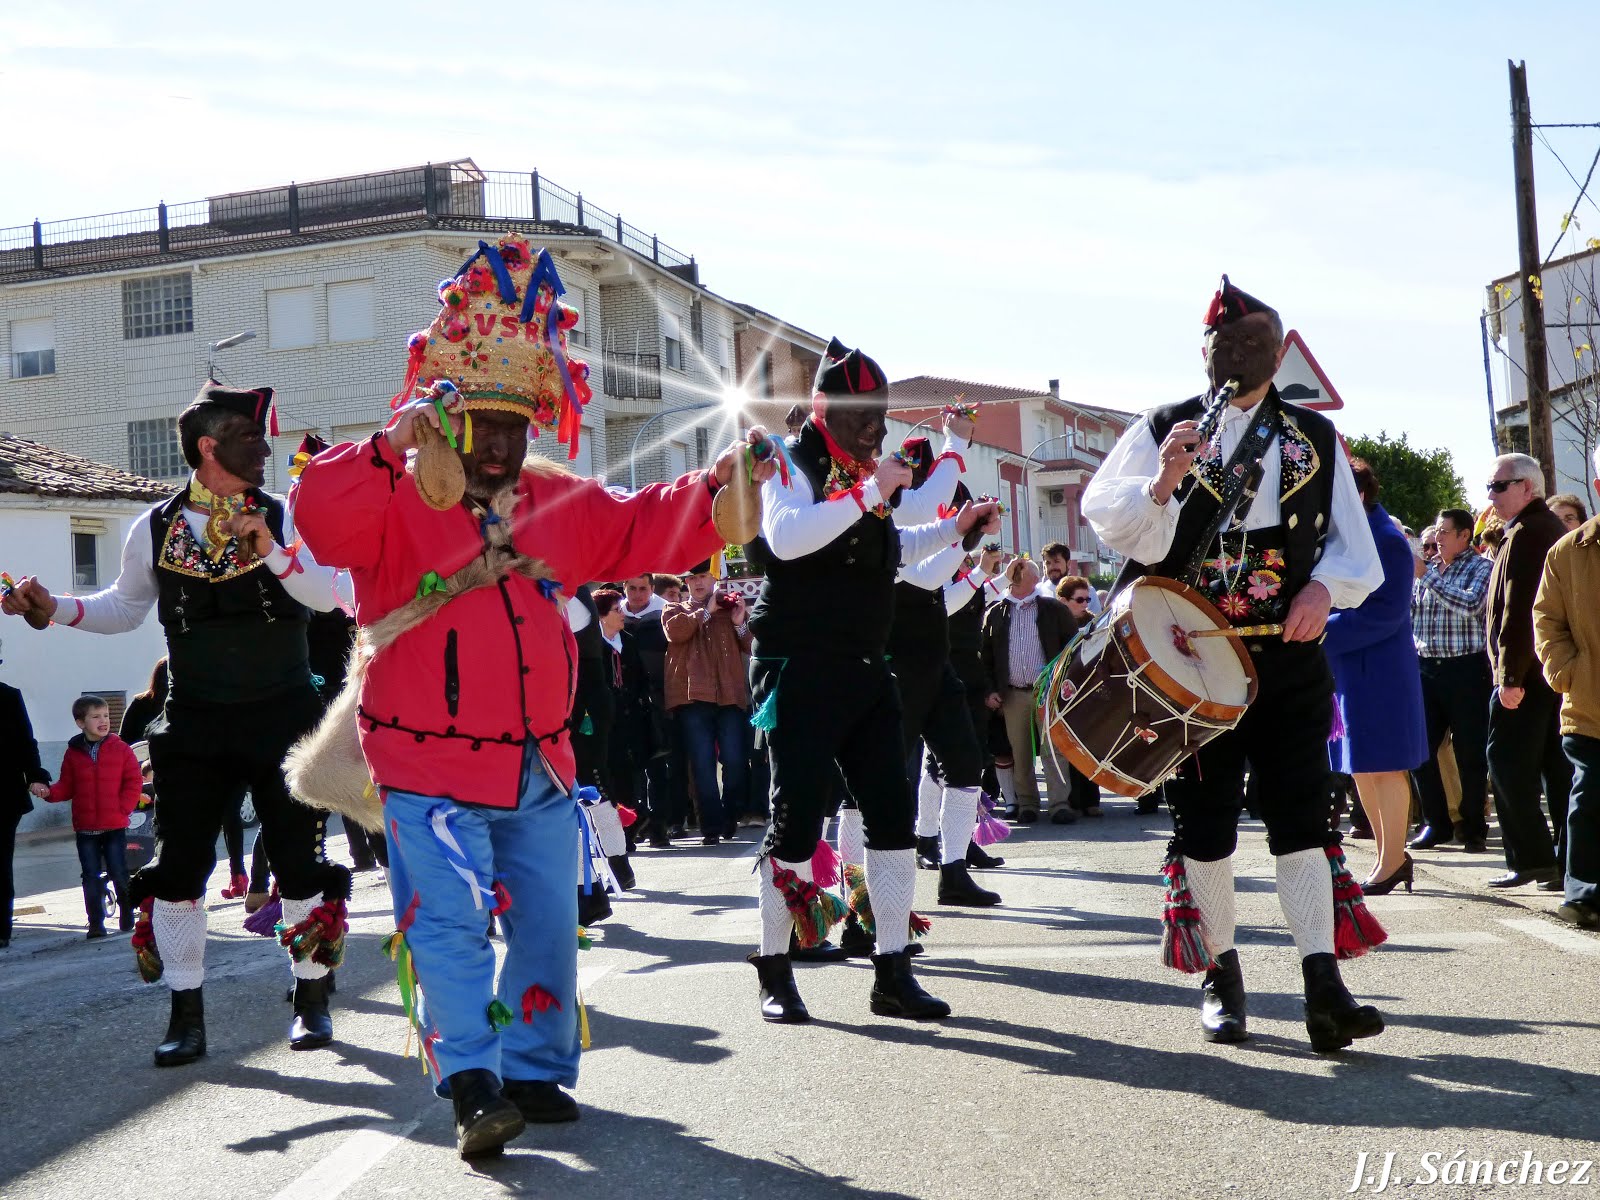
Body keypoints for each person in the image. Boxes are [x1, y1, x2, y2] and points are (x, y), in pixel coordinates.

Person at [289, 234, 753, 1157]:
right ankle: (469, 1080)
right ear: (446, 423)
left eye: (515, 427)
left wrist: (721, 487)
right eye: (482, 426)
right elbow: (315, 516)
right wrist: (390, 447)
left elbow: (639, 526)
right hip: (423, 763)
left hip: (539, 765)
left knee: (548, 927)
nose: (501, 445)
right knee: (449, 929)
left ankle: (537, 1071)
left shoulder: (555, 500)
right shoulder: (392, 496)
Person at [1081, 275, 1386, 1053]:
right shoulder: (1164, 427)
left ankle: (1325, 984)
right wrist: (1162, 482)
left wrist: (1323, 587)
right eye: (1223, 346)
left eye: (1254, 344)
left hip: (1287, 660)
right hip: (1192, 668)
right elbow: (1107, 516)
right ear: (1204, 352)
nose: (1237, 357)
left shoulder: (1313, 439)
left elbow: (1356, 549)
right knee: (1207, 828)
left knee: (1302, 822)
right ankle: (1223, 976)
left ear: (1281, 352)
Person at [2, 382, 347, 1065]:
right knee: (180, 866)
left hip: (283, 716)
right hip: (194, 720)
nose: (265, 449)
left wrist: (273, 548)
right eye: (252, 439)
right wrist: (51, 610)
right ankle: (186, 1014)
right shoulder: (153, 526)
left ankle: (311, 1000)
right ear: (209, 446)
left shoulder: (285, 514)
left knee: (300, 862)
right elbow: (123, 608)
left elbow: (332, 595)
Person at [741, 336, 999, 1024]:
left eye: (879, 419)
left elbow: (893, 554)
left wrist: (955, 527)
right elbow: (789, 539)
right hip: (799, 672)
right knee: (795, 824)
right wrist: (869, 491)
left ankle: (891, 970)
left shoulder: (866, 480)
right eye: (862, 418)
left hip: (865, 668)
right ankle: (775, 967)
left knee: (890, 818)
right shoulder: (790, 466)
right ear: (824, 408)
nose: (874, 431)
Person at [1323, 461, 1427, 895]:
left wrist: (1318, 630)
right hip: (1350, 668)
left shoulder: (1387, 539)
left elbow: (1386, 613)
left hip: (1380, 670)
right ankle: (1388, 859)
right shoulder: (1355, 536)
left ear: (1358, 495)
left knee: (1385, 767)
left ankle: (1393, 860)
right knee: (1361, 768)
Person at [1483, 453, 1573, 890]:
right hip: (1543, 675)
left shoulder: (1531, 532)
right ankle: (1561, 863)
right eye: (1490, 486)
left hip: (1529, 676)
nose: (1492, 494)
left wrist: (1509, 677)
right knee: (1552, 768)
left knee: (1507, 763)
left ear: (1527, 488)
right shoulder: (1526, 530)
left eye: (1501, 486)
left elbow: (1521, 613)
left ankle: (1535, 859)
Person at [1533, 446, 1600, 928]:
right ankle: (1584, 893)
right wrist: (1567, 671)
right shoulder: (1569, 550)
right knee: (1590, 797)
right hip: (1590, 701)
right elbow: (1547, 619)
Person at [1408, 508, 1494, 852]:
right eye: (1437, 532)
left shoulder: (1480, 568)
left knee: (1470, 752)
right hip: (1425, 668)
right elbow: (1412, 615)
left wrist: (1425, 578)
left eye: (1445, 532)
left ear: (1464, 535)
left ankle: (1473, 827)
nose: (1437, 538)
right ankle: (1436, 823)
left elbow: (1472, 605)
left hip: (1467, 669)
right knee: (1420, 750)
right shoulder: (1425, 570)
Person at [981, 558, 1077, 824]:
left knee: (1053, 750)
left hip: (1047, 692)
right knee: (1020, 752)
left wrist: (1064, 684)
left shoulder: (1052, 609)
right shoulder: (997, 612)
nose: (1036, 580)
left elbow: (1073, 648)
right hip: (1012, 694)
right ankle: (1028, 805)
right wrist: (990, 691)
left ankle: (1059, 804)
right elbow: (985, 656)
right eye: (1031, 575)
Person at [664, 564, 752, 846]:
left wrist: (739, 623)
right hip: (693, 699)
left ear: (714, 578)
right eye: (691, 577)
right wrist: (705, 612)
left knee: (736, 761)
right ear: (685, 581)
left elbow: (751, 646)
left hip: (730, 696)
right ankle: (711, 826)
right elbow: (676, 633)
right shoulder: (673, 609)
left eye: (703, 576)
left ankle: (731, 815)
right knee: (701, 765)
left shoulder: (730, 609)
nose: (697, 582)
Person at [45, 696, 144, 938]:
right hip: (86, 827)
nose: (103, 721)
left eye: (106, 716)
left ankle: (127, 910)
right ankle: (96, 923)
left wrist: (124, 808)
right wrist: (49, 793)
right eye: (96, 716)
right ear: (81, 723)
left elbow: (134, 781)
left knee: (119, 871)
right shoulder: (73, 753)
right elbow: (67, 785)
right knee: (90, 875)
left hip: (114, 825)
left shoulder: (120, 749)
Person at [1, 647, 51, 950]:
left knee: (0, 860)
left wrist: (36, 775)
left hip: (3, 796)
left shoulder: (8, 697)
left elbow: (25, 740)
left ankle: (1, 929)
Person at [1053, 574, 1104, 818]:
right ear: (1063, 601)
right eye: (1079, 599)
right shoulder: (1054, 623)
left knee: (1091, 745)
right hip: (1063, 692)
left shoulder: (1096, 623)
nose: (1085, 604)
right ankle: (1073, 799)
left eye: (1088, 598)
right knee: (1068, 746)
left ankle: (1092, 800)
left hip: (1090, 691)